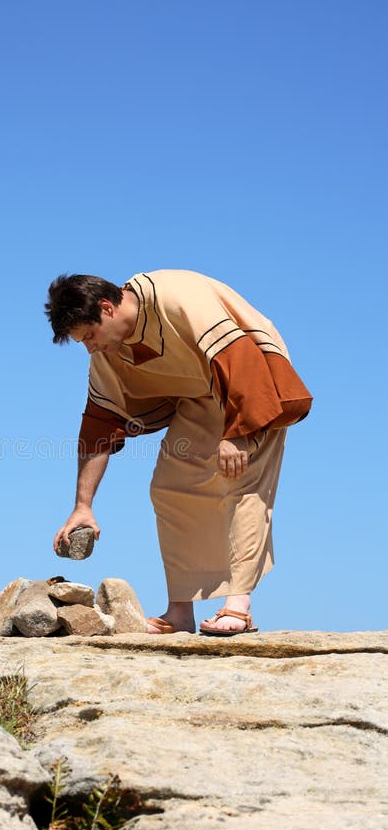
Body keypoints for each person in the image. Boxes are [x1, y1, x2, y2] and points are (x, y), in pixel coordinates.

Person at [45, 269, 312, 635]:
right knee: (169, 487)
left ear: (107, 308)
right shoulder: (107, 353)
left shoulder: (176, 297)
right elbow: (97, 427)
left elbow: (238, 355)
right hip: (200, 394)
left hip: (253, 377)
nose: (90, 347)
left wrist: (237, 433)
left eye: (89, 336)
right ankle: (179, 613)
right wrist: (83, 505)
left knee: (241, 479)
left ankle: (238, 606)